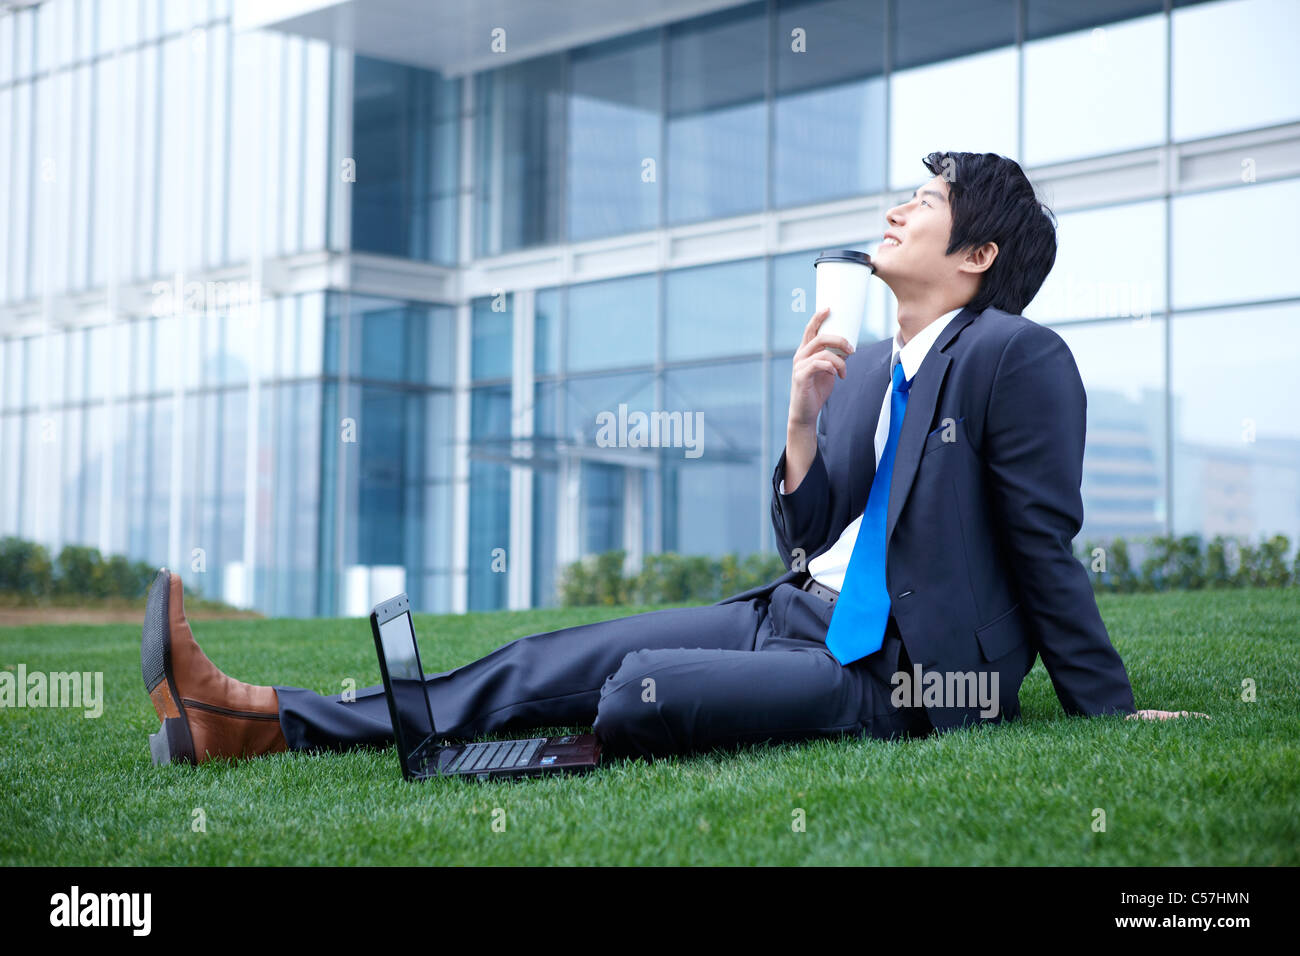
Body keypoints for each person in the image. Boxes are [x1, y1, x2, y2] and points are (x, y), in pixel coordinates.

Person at [140, 150, 1205, 768]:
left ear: (976, 255)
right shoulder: (875, 361)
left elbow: (1040, 543)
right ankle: (256, 719)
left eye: (921, 205)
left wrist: (1105, 703)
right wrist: (800, 421)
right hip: (786, 613)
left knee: (638, 688)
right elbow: (805, 533)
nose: (894, 211)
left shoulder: (1016, 357)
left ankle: (448, 742)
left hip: (895, 674)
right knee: (543, 657)